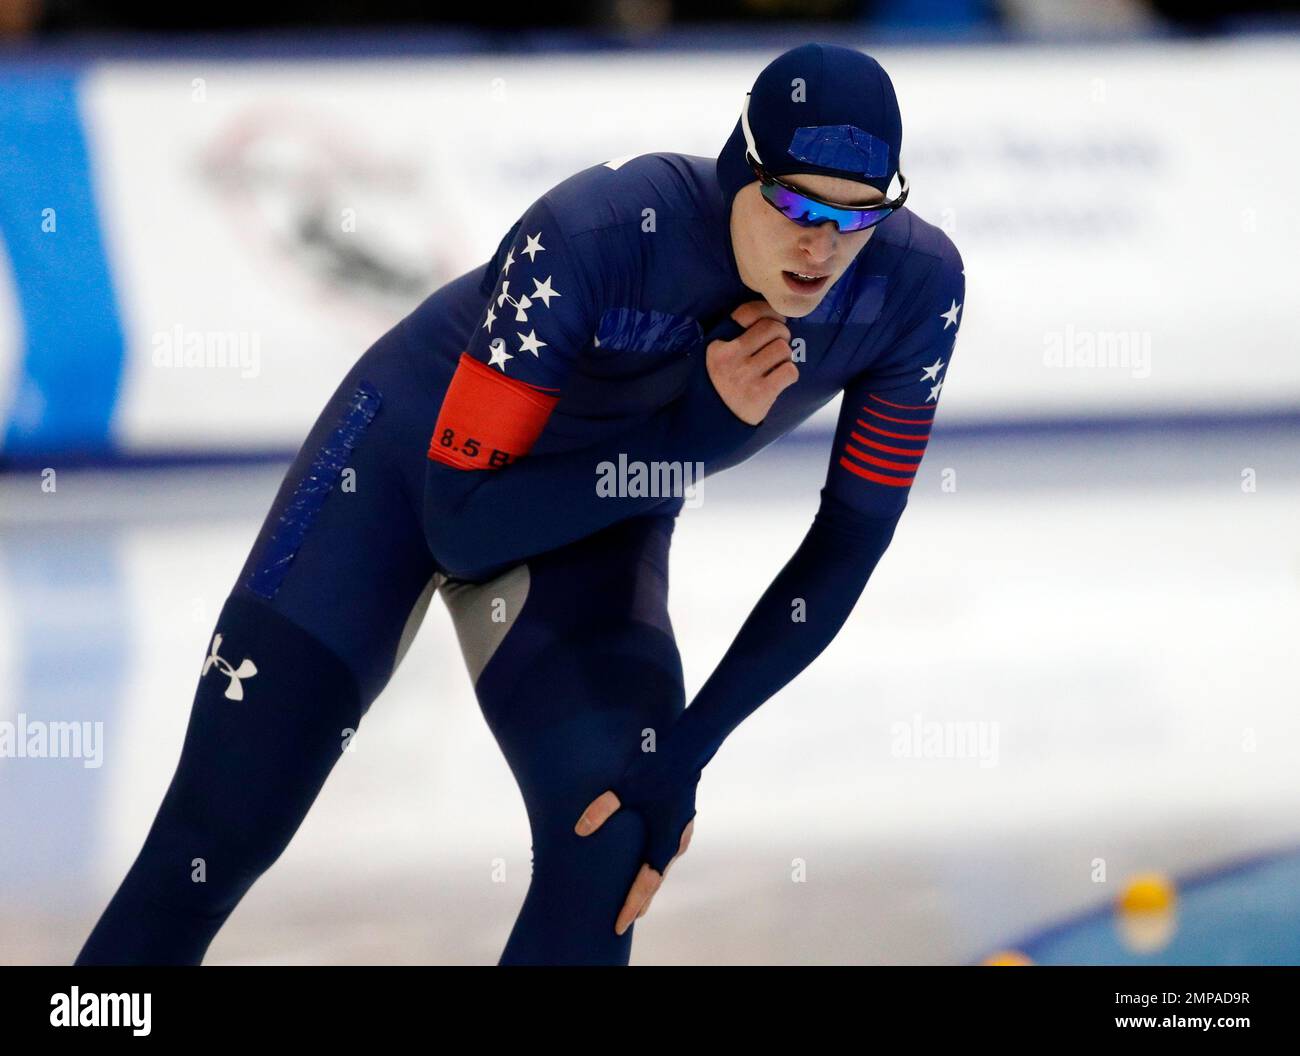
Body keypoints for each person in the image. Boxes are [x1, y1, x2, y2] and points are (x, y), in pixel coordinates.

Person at [76, 41, 964, 966]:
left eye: (856, 217)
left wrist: (688, 749)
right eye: (795, 203)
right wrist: (692, 430)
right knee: (212, 841)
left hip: (593, 516)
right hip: (403, 473)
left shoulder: (914, 290)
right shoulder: (600, 233)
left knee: (611, 826)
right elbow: (463, 528)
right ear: (741, 165)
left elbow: (852, 540)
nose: (821, 245)